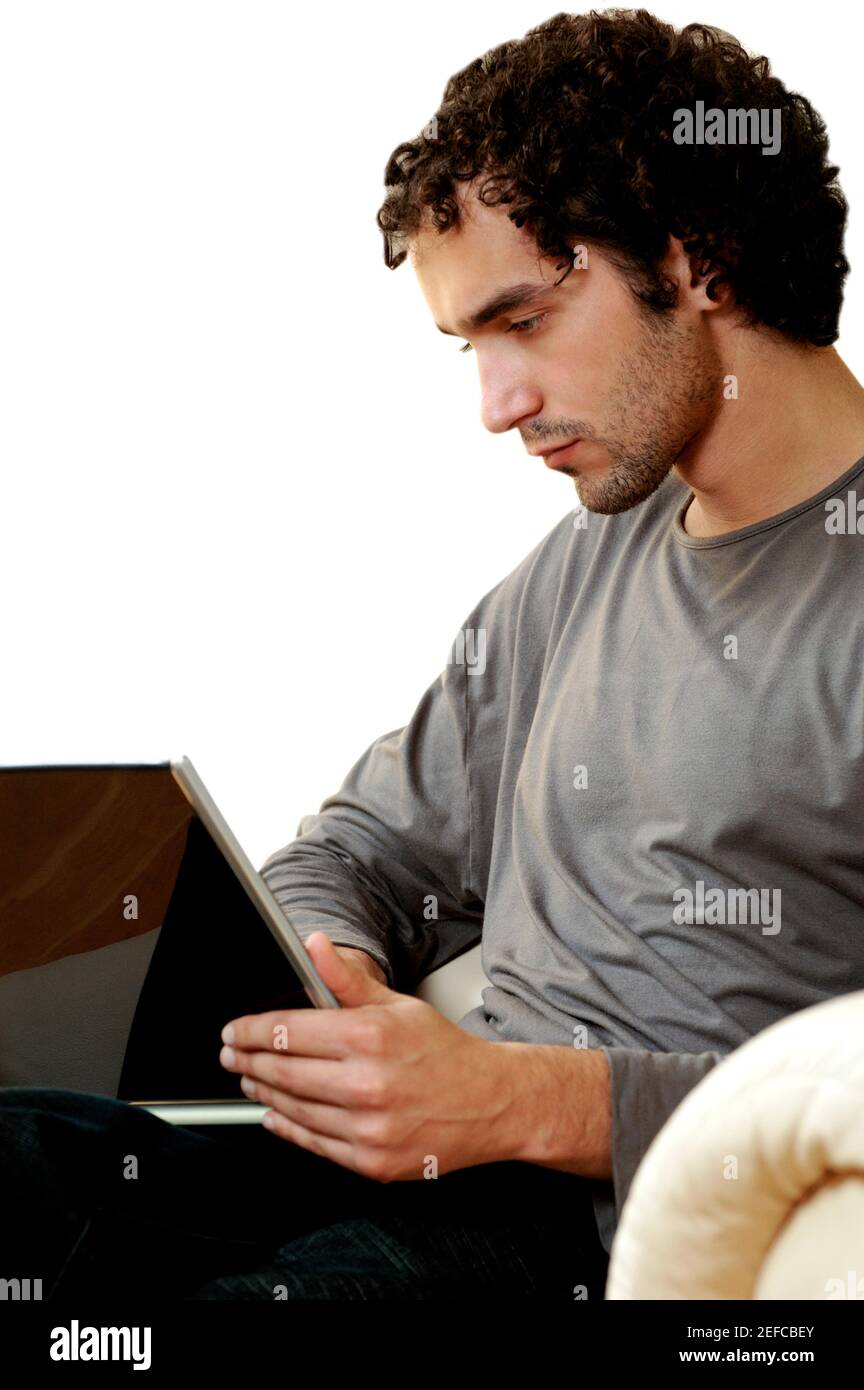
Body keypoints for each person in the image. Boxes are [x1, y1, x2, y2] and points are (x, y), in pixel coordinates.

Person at [4, 8, 864, 1300]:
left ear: (701, 262)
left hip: (584, 1237)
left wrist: (521, 1103)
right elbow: (360, 850)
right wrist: (327, 976)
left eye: (523, 323)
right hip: (390, 1165)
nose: (496, 406)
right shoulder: (588, 563)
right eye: (474, 349)